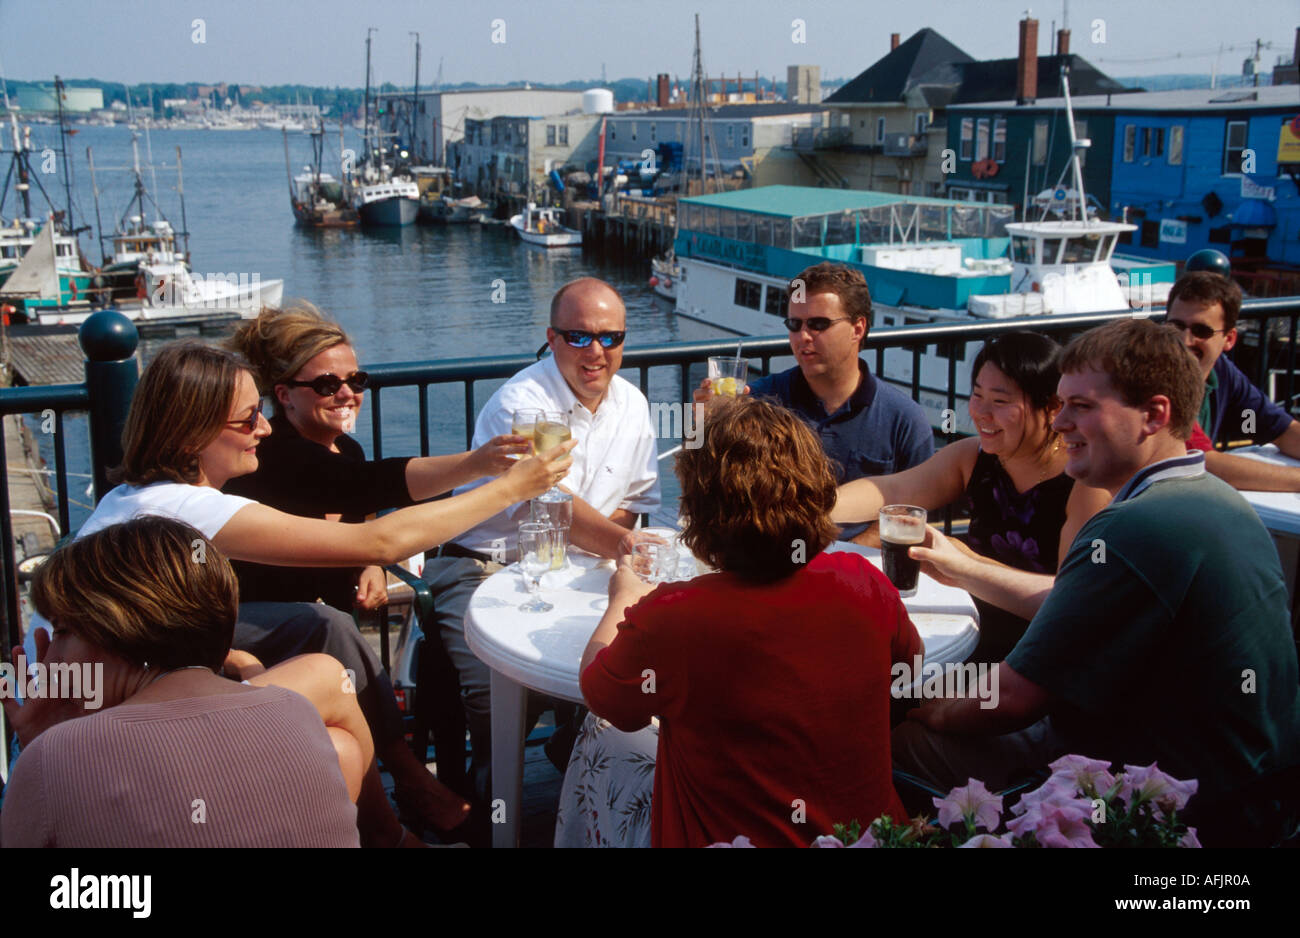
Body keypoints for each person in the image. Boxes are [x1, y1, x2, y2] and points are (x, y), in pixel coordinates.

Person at [20, 341, 572, 843]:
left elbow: (369, 486)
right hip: (97, 724)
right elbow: (379, 540)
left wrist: (479, 467)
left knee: (320, 634)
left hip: (86, 695)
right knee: (328, 672)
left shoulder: (134, 496)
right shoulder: (188, 509)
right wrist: (512, 488)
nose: (264, 427)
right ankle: (400, 816)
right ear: (192, 433)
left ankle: (396, 804)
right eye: (247, 418)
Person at [893, 319, 1300, 846]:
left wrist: (929, 706)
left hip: (1189, 809)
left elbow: (1014, 699)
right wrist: (964, 567)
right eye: (1060, 405)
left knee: (901, 742)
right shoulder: (1216, 502)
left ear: (1154, 415)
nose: (1059, 423)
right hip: (1260, 787)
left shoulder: (1131, 527)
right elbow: (1072, 604)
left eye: (1081, 407)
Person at [568, 396, 921, 848]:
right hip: (872, 838)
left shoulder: (674, 617)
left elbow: (599, 693)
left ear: (700, 509)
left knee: (597, 738)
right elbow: (907, 668)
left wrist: (623, 598)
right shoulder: (865, 583)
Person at [422, 277, 660, 810]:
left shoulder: (634, 405)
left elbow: (636, 501)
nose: (596, 351)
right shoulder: (524, 405)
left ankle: (576, 755)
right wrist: (621, 542)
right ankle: (494, 799)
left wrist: (604, 539)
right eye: (579, 337)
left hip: (581, 563)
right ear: (551, 340)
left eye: (611, 337)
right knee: (496, 689)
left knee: (630, 655)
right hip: (483, 563)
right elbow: (550, 507)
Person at [2, 518, 361, 847]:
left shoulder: (58, 757)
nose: (50, 659)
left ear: (116, 628)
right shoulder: (296, 712)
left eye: (63, 631)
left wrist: (35, 750)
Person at [224, 304, 527, 615]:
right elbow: (363, 484)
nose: (346, 394)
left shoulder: (347, 448)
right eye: (327, 385)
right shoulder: (274, 454)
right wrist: (480, 465)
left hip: (330, 619)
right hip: (271, 621)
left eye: (356, 381)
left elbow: (360, 513)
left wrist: (371, 565)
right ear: (284, 395)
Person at [832, 332, 1111, 661]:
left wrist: (966, 563)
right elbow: (891, 490)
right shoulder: (974, 457)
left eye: (1000, 401)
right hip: (966, 625)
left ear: (1051, 407)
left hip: (1035, 656)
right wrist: (816, 510)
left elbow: (1067, 601)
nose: (981, 412)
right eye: (977, 395)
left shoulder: (1084, 483)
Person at [697, 262, 933, 541]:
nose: (803, 336)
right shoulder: (761, 402)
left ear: (858, 328)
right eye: (794, 325)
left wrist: (849, 554)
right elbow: (708, 488)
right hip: (778, 562)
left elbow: (916, 511)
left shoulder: (903, 420)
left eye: (818, 324)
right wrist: (701, 425)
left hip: (864, 567)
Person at [1166, 271, 1300, 491]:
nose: (1185, 340)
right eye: (1176, 326)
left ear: (1228, 339)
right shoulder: (1154, 377)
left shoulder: (1222, 373)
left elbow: (1275, 429)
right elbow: (1203, 464)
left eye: (1201, 331)